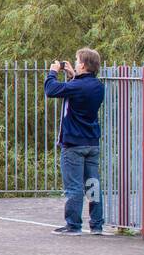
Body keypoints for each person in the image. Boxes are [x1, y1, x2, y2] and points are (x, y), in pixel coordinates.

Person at [44, 48, 105, 235]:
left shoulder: (77, 86)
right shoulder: (98, 86)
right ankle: (96, 225)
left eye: (77, 61)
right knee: (92, 184)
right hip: (92, 142)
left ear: (84, 65)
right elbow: (79, 92)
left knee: (74, 186)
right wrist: (73, 76)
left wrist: (53, 71)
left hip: (73, 143)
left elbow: (51, 90)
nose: (75, 64)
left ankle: (74, 225)